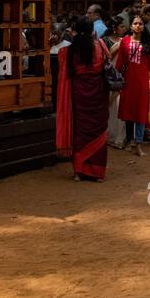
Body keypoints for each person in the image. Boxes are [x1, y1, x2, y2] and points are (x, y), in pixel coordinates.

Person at [55, 17, 110, 182]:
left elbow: (67, 71)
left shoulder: (68, 51)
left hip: (78, 92)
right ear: (92, 30)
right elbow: (106, 65)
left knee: (79, 130)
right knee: (98, 130)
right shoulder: (100, 46)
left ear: (75, 30)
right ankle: (98, 173)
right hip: (98, 92)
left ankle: (79, 172)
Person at [115, 15, 150, 156]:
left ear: (144, 27)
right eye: (135, 23)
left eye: (140, 23)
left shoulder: (147, 43)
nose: (138, 26)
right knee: (128, 112)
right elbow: (120, 62)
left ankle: (138, 143)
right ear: (131, 26)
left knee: (140, 112)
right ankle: (130, 140)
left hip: (142, 83)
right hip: (127, 82)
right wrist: (117, 78)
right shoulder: (125, 42)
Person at [105, 15, 128, 150]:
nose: (124, 28)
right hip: (111, 78)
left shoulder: (125, 41)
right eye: (121, 26)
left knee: (119, 108)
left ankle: (119, 138)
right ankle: (110, 137)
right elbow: (107, 60)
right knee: (111, 109)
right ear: (114, 29)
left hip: (121, 78)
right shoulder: (105, 41)